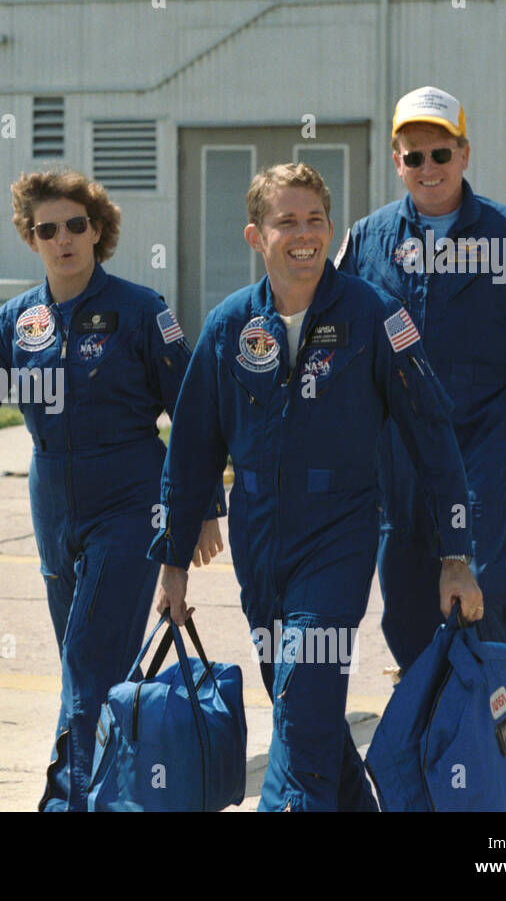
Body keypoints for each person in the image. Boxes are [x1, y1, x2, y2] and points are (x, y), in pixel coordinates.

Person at [151, 163, 483, 812]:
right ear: (256, 235)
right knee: (307, 708)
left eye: (315, 221)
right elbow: (190, 449)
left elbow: (433, 436)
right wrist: (171, 564)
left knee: (304, 699)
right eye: (286, 222)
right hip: (259, 538)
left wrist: (457, 554)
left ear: (331, 228)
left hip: (340, 535)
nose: (304, 235)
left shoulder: (374, 317)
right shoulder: (228, 327)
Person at [0, 166, 224, 812]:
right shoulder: (16, 322)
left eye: (75, 225)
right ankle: (116, 784)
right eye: (47, 229)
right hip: (53, 510)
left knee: (89, 661)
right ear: (30, 238)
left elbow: (195, 411)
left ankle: (69, 800)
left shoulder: (141, 311)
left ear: (97, 231)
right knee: (88, 664)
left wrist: (204, 505)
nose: (62, 239)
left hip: (130, 503)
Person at [335, 86, 506, 670]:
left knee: (479, 597)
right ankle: (422, 730)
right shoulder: (367, 241)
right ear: (397, 162)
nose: (428, 168)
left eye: (440, 154)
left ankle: (481, 736)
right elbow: (337, 345)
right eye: (414, 157)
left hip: (477, 450)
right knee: (405, 604)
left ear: (465, 154)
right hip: (397, 458)